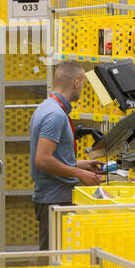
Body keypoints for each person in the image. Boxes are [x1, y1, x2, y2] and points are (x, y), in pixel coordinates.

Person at [29, 62, 103, 249]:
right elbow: (43, 160)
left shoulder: (47, 107)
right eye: (84, 84)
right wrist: (79, 174)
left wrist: (80, 165)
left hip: (53, 197)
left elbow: (53, 156)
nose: (82, 89)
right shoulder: (56, 115)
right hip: (55, 200)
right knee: (54, 259)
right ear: (76, 83)